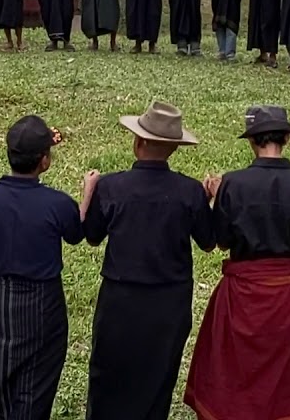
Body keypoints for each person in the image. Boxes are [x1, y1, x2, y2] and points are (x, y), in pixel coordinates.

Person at [184, 106, 290, 420]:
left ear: (252, 141)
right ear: (287, 138)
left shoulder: (233, 184)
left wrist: (217, 197)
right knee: (278, 369)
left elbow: (220, 242)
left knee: (232, 366)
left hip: (242, 291)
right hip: (283, 295)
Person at [80, 101, 210, 420]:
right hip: (170, 301)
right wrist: (208, 201)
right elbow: (208, 242)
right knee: (158, 375)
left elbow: (92, 236)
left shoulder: (111, 186)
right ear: (174, 150)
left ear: (137, 142)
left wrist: (89, 193)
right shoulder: (190, 191)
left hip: (119, 299)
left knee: (108, 372)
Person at [0, 115, 83, 419]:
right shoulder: (58, 203)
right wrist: (89, 193)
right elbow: (77, 234)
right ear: (45, 162)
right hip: (43, 304)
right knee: (36, 382)